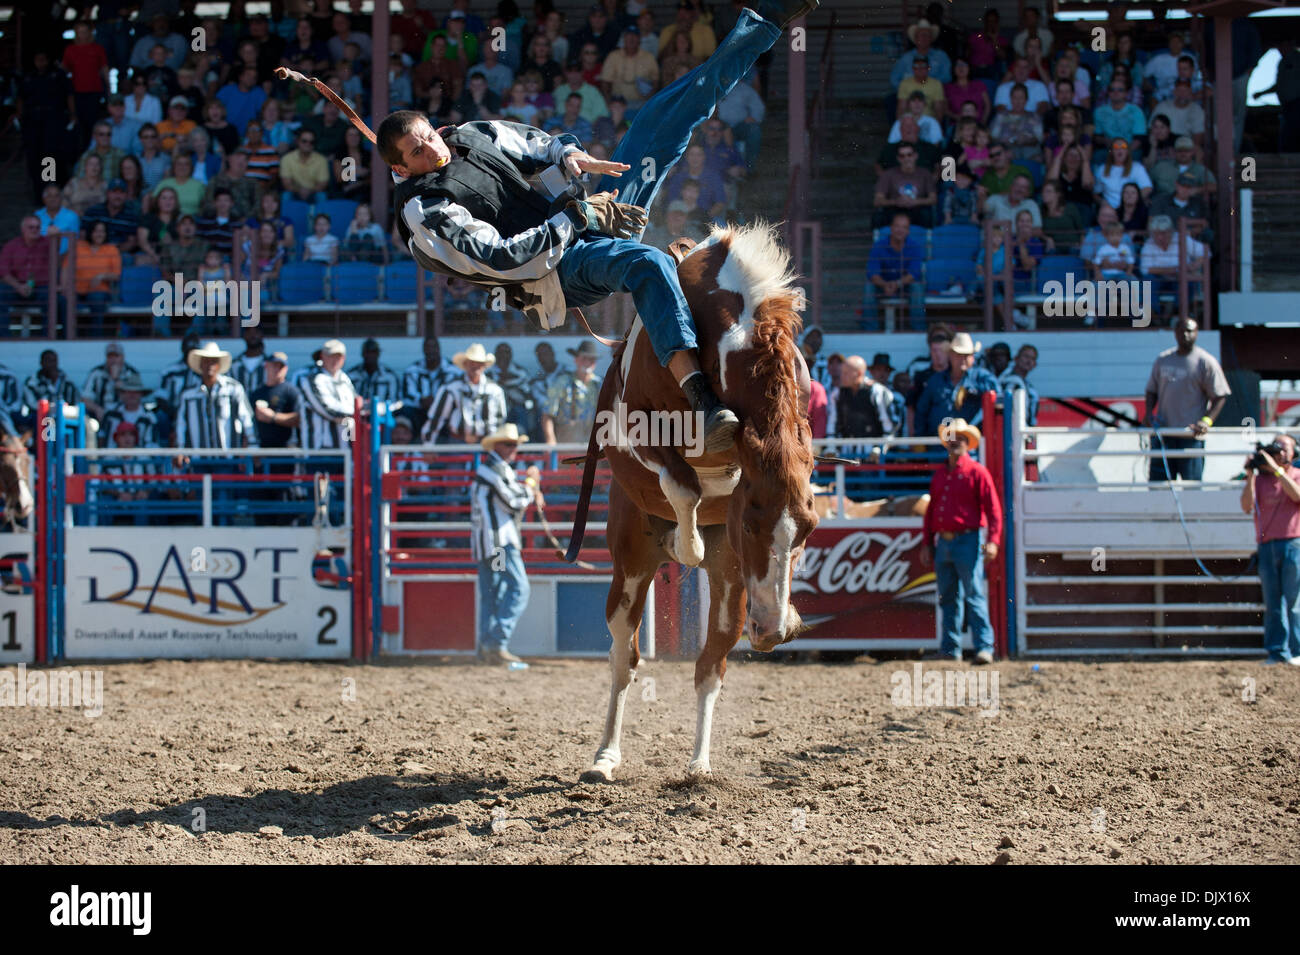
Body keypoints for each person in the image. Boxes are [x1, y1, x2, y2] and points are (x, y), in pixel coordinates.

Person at [379, 4, 817, 457]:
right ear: (400, 167)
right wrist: (580, 216)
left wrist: (570, 156)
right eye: (418, 151)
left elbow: (537, 143)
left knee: (660, 121)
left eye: (429, 135)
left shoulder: (469, 133)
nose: (433, 149)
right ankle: (702, 399)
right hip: (552, 273)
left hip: (587, 215)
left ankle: (763, 24)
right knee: (645, 261)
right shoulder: (425, 208)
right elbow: (506, 257)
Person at [918, 417, 1002, 664]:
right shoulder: (941, 475)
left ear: (968, 444)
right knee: (948, 597)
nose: (956, 443)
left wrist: (994, 540)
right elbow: (932, 512)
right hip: (945, 542)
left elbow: (993, 510)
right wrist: (927, 542)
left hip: (967, 540)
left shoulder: (977, 472)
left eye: (960, 439)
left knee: (972, 594)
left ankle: (983, 646)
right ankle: (951, 648)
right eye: (953, 438)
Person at [471, 422, 538, 666]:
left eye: (515, 445)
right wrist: (531, 485)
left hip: (487, 543)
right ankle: (496, 643)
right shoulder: (494, 469)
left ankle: (486, 649)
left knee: (493, 594)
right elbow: (513, 501)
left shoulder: (492, 469)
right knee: (519, 589)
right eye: (509, 444)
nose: (514, 449)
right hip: (498, 543)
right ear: (497, 445)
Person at [1143, 317, 1231, 483]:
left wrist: (1206, 421)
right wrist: (1148, 413)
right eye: (1182, 330)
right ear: (1175, 333)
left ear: (1197, 333)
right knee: (1159, 488)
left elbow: (1220, 396)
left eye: (1190, 331)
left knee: (1192, 489)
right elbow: (1151, 390)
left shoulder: (1205, 362)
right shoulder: (1163, 360)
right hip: (1164, 434)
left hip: (1190, 436)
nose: (1186, 334)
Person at [1239, 433, 1300, 665]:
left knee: (1294, 601)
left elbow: (1297, 495)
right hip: (1266, 546)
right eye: (1277, 448)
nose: (1281, 452)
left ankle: (1296, 651)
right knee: (1273, 602)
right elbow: (1246, 506)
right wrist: (1249, 475)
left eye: (1286, 448)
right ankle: (1277, 652)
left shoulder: (1296, 474)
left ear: (1294, 453)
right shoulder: (1260, 480)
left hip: (1294, 543)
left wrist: (1276, 469)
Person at [915, 332, 1000, 436]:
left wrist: (974, 391)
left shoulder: (983, 377)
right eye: (959, 355)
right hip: (938, 444)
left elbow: (998, 399)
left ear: (972, 357)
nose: (962, 359)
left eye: (966, 355)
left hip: (972, 445)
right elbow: (921, 411)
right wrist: (920, 440)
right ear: (950, 355)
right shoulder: (936, 380)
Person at [424, 342, 508, 445]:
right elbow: (436, 418)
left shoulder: (495, 390)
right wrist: (428, 444)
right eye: (472, 362)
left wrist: (495, 444)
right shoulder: (451, 388)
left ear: (484, 366)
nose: (475, 366)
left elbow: (500, 420)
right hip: (457, 442)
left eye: (479, 363)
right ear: (465, 364)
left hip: (486, 443)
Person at [863, 212, 925, 330]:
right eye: (897, 226)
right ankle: (869, 329)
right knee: (869, 287)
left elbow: (914, 273)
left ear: (908, 231)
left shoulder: (914, 247)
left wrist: (897, 284)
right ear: (891, 228)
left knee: (917, 287)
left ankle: (918, 329)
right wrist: (885, 284)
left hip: (904, 285)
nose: (900, 230)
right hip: (882, 284)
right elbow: (872, 272)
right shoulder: (879, 246)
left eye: (904, 227)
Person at [542, 339, 602, 444]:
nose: (587, 363)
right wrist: (550, 441)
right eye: (584, 358)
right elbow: (547, 415)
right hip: (567, 445)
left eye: (591, 359)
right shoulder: (561, 382)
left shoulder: (601, 384)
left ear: (595, 363)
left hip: (594, 447)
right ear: (576, 360)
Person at [102, 371, 161, 448]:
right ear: (122, 394)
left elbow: (153, 445)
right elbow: (102, 439)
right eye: (128, 391)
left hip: (142, 458)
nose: (132, 395)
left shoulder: (149, 418)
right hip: (111, 458)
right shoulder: (110, 415)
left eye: (136, 392)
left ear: (141, 394)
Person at [348, 338, 404, 406]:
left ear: (378, 354)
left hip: (383, 414)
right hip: (357, 413)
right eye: (368, 352)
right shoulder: (352, 375)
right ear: (363, 354)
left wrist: (380, 408)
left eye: (374, 352)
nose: (371, 355)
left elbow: (396, 402)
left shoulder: (390, 376)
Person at [999, 344, 1039, 426]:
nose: (1029, 361)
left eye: (1032, 358)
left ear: (1035, 364)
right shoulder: (1009, 381)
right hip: (1011, 431)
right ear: (1016, 359)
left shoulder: (1029, 387)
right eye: (1026, 356)